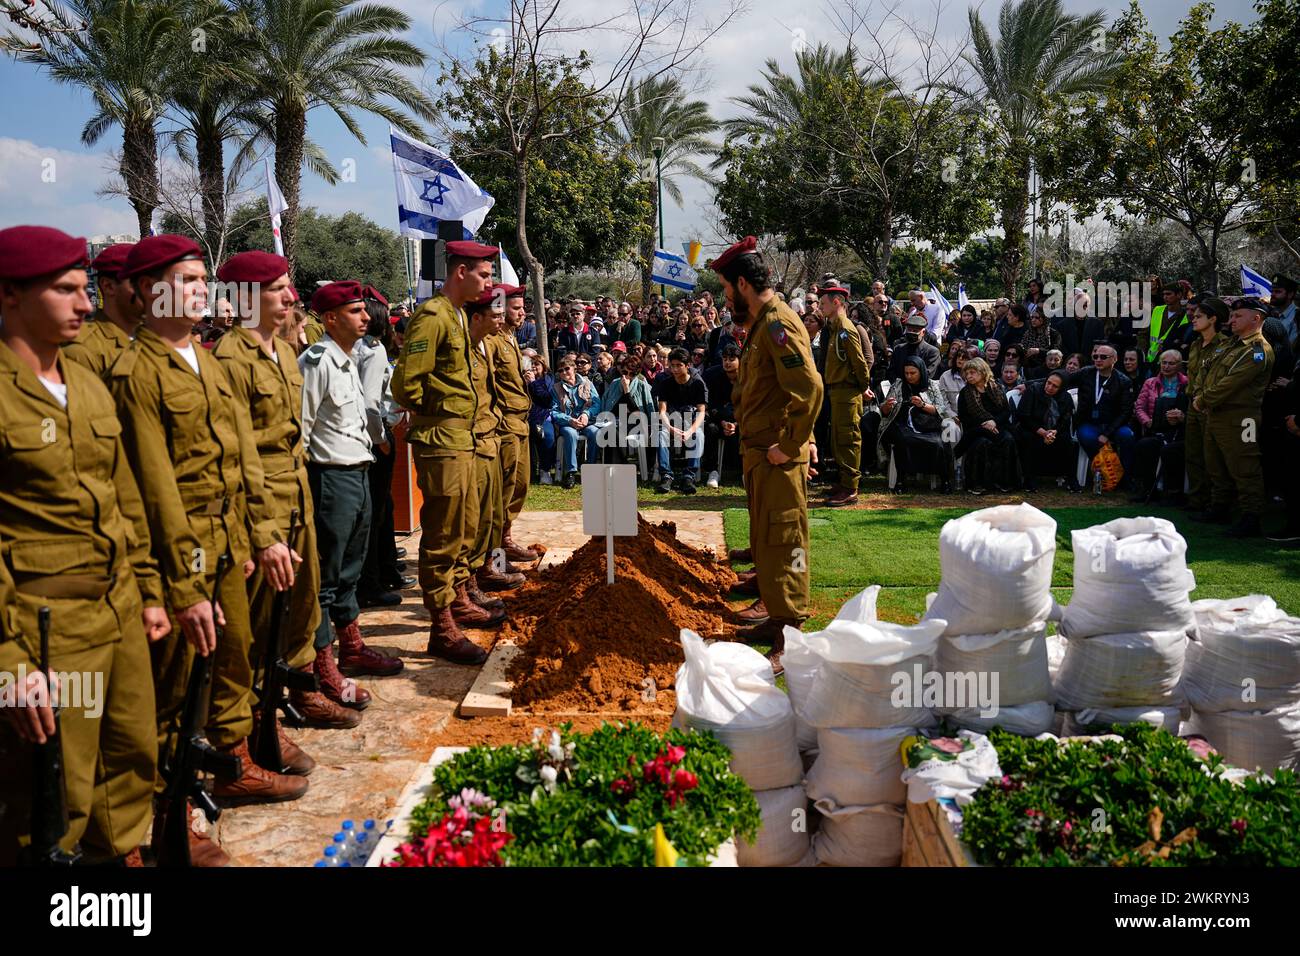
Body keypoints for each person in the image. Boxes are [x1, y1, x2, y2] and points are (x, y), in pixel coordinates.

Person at [110, 235, 306, 854]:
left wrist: (263, 533)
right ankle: (164, 825)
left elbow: (244, 457)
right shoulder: (136, 371)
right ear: (145, 291)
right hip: (179, 548)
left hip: (226, 538)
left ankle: (224, 767)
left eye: (203, 280)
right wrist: (185, 583)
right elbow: (154, 485)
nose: (201, 290)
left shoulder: (207, 359)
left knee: (230, 658)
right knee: (172, 689)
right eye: (186, 280)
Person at [0, 226, 163, 867]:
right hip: (46, 629)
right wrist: (10, 663)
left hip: (118, 609)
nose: (87, 303)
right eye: (66, 290)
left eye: (85, 288)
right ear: (11, 295)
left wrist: (149, 592)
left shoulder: (87, 384)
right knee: (53, 793)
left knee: (128, 758)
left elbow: (124, 501)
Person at [212, 252, 359, 737]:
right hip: (261, 506)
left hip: (296, 496)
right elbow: (235, 455)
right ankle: (257, 728)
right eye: (278, 289)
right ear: (249, 298)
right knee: (259, 620)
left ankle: (304, 691)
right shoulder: (230, 360)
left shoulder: (280, 351)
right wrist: (256, 533)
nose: (291, 297)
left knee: (302, 605)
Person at [710, 236, 823, 671]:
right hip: (760, 451)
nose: (725, 297)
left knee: (785, 540)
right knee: (767, 541)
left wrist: (792, 444)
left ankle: (789, 636)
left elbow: (808, 388)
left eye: (725, 288)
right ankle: (774, 617)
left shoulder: (778, 323)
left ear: (742, 283)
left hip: (777, 454)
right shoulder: (761, 323)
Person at [391, 239, 497, 666]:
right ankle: (442, 626)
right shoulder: (433, 316)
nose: (488, 282)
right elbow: (405, 384)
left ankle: (455, 599)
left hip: (463, 440)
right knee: (442, 534)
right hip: (443, 441)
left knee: (462, 527)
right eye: (484, 274)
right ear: (460, 272)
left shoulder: (454, 316)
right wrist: (432, 416)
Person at [300, 281, 404, 711]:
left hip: (357, 471)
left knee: (351, 570)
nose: (366, 318)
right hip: (330, 477)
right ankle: (323, 668)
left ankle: (353, 646)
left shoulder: (345, 360)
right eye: (356, 311)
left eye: (365, 310)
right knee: (326, 577)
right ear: (330, 318)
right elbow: (302, 431)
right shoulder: (317, 361)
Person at [453, 287, 520, 629]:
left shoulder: (491, 342)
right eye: (496, 315)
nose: (503, 319)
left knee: (496, 511)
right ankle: (470, 584)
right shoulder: (473, 345)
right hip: (478, 437)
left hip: (494, 433)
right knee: (474, 519)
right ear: (476, 317)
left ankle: (490, 567)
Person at [1194, 297, 1275, 536]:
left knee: (1244, 465)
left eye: (1238, 316)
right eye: (1232, 315)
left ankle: (1251, 517)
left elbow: (1231, 383)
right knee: (1215, 465)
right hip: (1216, 414)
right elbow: (1205, 368)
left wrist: (1203, 399)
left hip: (1241, 418)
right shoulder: (1230, 344)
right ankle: (1220, 508)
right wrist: (1200, 394)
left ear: (1256, 318)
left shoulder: (1257, 350)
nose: (1232, 320)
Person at [488, 285, 542, 562]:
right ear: (500, 308)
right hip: (504, 423)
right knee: (502, 492)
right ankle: (495, 558)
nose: (522, 313)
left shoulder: (510, 338)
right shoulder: (493, 340)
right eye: (516, 308)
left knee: (519, 486)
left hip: (520, 422)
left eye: (522, 308)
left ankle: (505, 540)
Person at [818, 283, 872, 505]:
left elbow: (860, 363)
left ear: (837, 303)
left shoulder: (846, 329)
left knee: (848, 439)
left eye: (823, 303)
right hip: (838, 391)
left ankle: (850, 488)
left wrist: (861, 386)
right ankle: (844, 481)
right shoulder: (834, 328)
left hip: (847, 390)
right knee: (838, 439)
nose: (820, 307)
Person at [877, 356, 955, 493]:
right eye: (906, 373)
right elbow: (883, 409)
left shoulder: (930, 385)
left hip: (927, 424)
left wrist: (922, 404)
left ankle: (945, 481)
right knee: (903, 440)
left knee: (940, 443)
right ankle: (901, 480)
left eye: (913, 373)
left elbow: (941, 410)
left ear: (921, 371)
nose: (909, 376)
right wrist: (887, 406)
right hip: (901, 422)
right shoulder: (899, 384)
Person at [61, 242, 138, 379]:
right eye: (137, 282)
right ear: (108, 286)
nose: (150, 290)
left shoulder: (158, 336)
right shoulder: (84, 350)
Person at [1183, 296, 1229, 514]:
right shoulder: (1194, 344)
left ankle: (1217, 503)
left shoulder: (1225, 345)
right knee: (1193, 454)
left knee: (1213, 457)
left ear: (1213, 319)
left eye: (1199, 316)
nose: (1193, 318)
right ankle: (1196, 499)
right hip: (1192, 403)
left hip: (1211, 406)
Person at [1070, 342, 1136, 483]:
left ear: (1114, 359)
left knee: (1128, 436)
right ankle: (1105, 472)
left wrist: (1107, 434)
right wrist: (1026, 385)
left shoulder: (1124, 381)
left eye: (1103, 357)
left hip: (1114, 424)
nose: (1098, 360)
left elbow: (1125, 412)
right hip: (1089, 422)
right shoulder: (1086, 372)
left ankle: (1126, 476)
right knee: (1086, 436)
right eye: (1095, 356)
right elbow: (1063, 377)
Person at [1129, 350, 1189, 504]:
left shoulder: (1187, 384)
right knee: (1144, 446)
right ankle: (1147, 489)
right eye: (1164, 362)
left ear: (1179, 365)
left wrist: (1182, 417)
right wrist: (1147, 421)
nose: (1166, 366)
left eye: (1171, 363)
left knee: (1171, 450)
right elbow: (1139, 407)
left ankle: (1173, 492)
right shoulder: (1150, 382)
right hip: (1155, 429)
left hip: (1179, 432)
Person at [955, 357, 1019, 494]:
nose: (969, 376)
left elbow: (1006, 411)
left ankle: (1004, 482)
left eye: (972, 372)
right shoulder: (965, 393)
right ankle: (977, 484)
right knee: (982, 443)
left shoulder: (996, 388)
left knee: (1008, 440)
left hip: (998, 426)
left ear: (983, 372)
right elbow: (964, 418)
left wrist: (994, 422)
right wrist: (985, 425)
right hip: (976, 429)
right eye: (967, 373)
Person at [653, 347, 708, 494]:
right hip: (671, 422)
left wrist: (690, 431)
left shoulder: (697, 384)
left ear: (687, 365)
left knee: (699, 435)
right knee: (660, 435)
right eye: (672, 365)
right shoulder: (665, 384)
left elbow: (702, 412)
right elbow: (662, 411)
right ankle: (666, 475)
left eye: (679, 365)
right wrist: (671, 429)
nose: (675, 369)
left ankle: (688, 476)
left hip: (691, 422)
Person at [1015, 371, 1079, 491]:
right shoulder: (1033, 390)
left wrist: (1054, 432)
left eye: (1055, 386)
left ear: (1061, 388)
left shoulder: (1065, 397)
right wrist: (1043, 432)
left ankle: (1072, 480)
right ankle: (1029, 479)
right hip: (1032, 428)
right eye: (1048, 383)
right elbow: (1023, 416)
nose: (1049, 387)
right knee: (1028, 438)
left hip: (1053, 431)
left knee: (1068, 442)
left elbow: (1065, 420)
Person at [551, 353, 601, 489]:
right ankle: (571, 472)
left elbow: (596, 403)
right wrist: (569, 420)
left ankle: (590, 470)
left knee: (595, 432)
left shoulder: (587, 383)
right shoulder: (556, 388)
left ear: (574, 369)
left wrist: (586, 414)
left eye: (567, 368)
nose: (564, 372)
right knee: (571, 434)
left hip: (586, 421)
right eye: (560, 370)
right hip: (568, 423)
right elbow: (554, 411)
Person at [702, 343, 742, 487]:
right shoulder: (713, 375)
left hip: (742, 420)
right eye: (724, 358)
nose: (727, 362)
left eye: (731, 359)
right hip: (719, 419)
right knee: (710, 428)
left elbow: (751, 405)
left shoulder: (749, 378)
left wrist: (736, 424)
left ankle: (746, 472)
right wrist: (723, 422)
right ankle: (713, 471)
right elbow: (711, 404)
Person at [527, 354, 558, 484]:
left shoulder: (548, 380)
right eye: (531, 364)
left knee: (548, 436)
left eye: (537, 364)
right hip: (525, 416)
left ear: (544, 367)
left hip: (543, 416)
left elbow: (547, 400)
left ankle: (545, 470)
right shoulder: (523, 379)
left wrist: (533, 383)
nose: (533, 367)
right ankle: (530, 471)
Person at [888, 313, 941, 380]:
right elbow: (891, 372)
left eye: (915, 331)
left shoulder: (932, 352)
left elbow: (928, 374)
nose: (911, 333)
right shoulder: (899, 349)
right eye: (909, 330)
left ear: (923, 333)